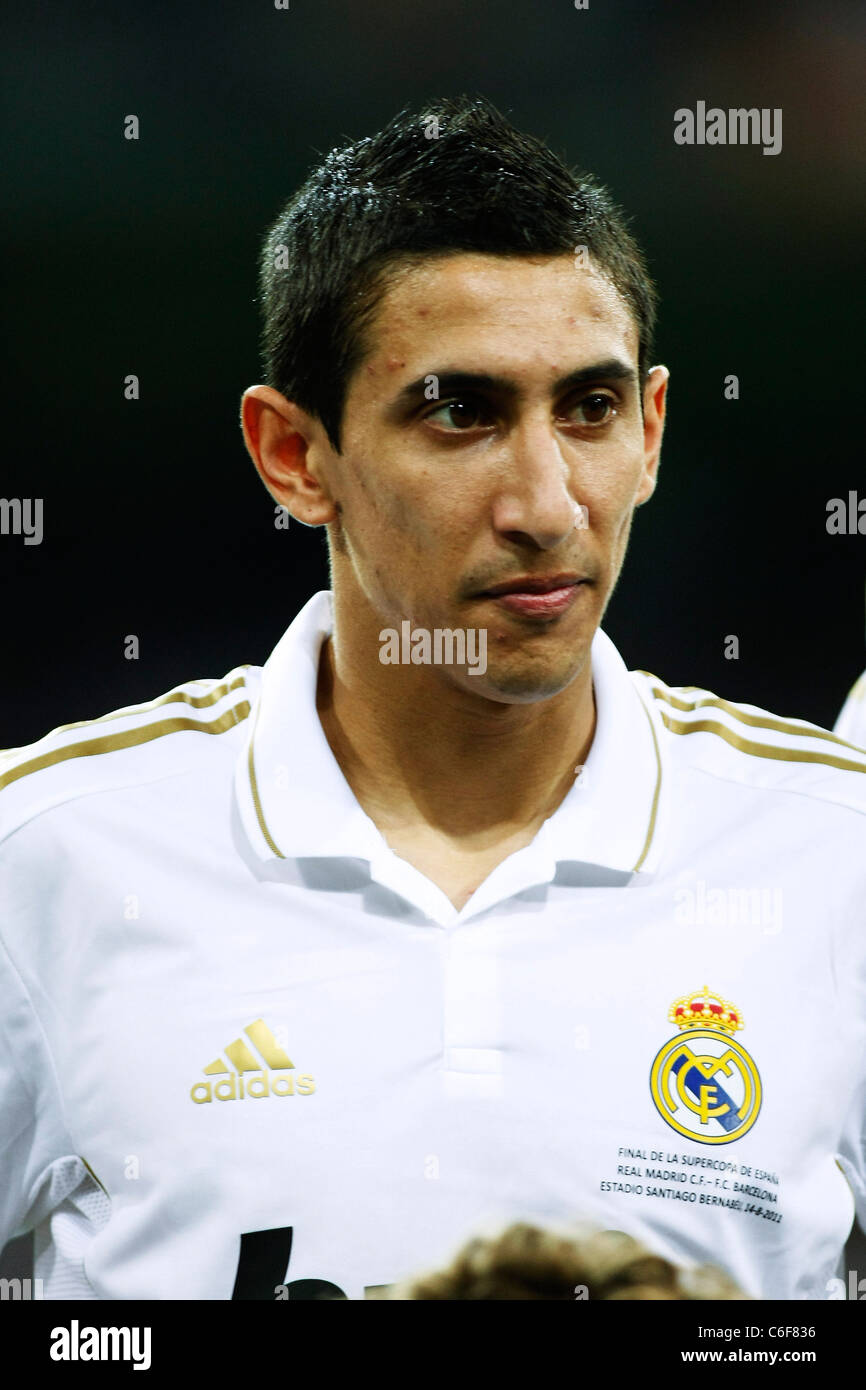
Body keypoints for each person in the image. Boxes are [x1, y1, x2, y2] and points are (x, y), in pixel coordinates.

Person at [1, 96, 864, 1302]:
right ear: (293, 456)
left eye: (590, 407)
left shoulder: (833, 852)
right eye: (460, 411)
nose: (547, 503)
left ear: (653, 428)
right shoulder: (44, 856)